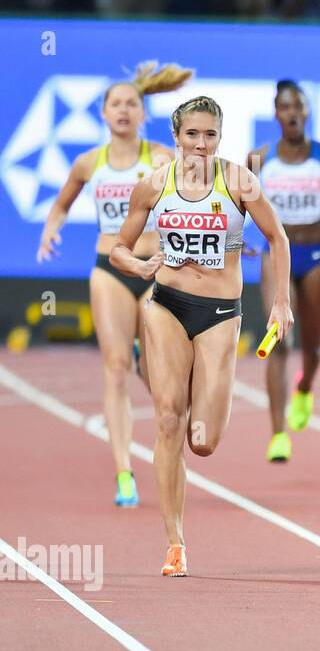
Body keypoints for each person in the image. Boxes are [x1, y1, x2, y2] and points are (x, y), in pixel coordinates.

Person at [112, 96, 293, 576]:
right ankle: (175, 543)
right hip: (167, 305)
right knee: (169, 421)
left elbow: (278, 238)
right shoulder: (154, 185)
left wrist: (280, 303)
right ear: (176, 137)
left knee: (204, 441)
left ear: (219, 138)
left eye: (209, 135)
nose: (200, 144)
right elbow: (118, 249)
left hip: (219, 314)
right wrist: (137, 263)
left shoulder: (239, 183)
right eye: (191, 134)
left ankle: (199, 388)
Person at [36, 61, 192, 507]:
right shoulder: (90, 163)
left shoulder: (159, 157)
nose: (123, 110)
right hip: (110, 268)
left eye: (131, 104)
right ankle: (124, 472)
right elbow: (62, 204)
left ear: (143, 114)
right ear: (104, 114)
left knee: (160, 373)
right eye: (115, 104)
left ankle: (165, 391)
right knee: (115, 366)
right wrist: (52, 228)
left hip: (155, 268)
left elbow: (193, 188)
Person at [247, 79, 320, 462]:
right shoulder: (258, 161)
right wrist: (236, 244)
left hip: (315, 258)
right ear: (276, 113)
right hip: (274, 256)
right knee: (278, 340)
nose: (292, 113)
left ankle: (306, 386)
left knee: (313, 348)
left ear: (307, 113)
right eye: (285, 107)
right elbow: (232, 209)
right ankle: (278, 434)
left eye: (298, 106)